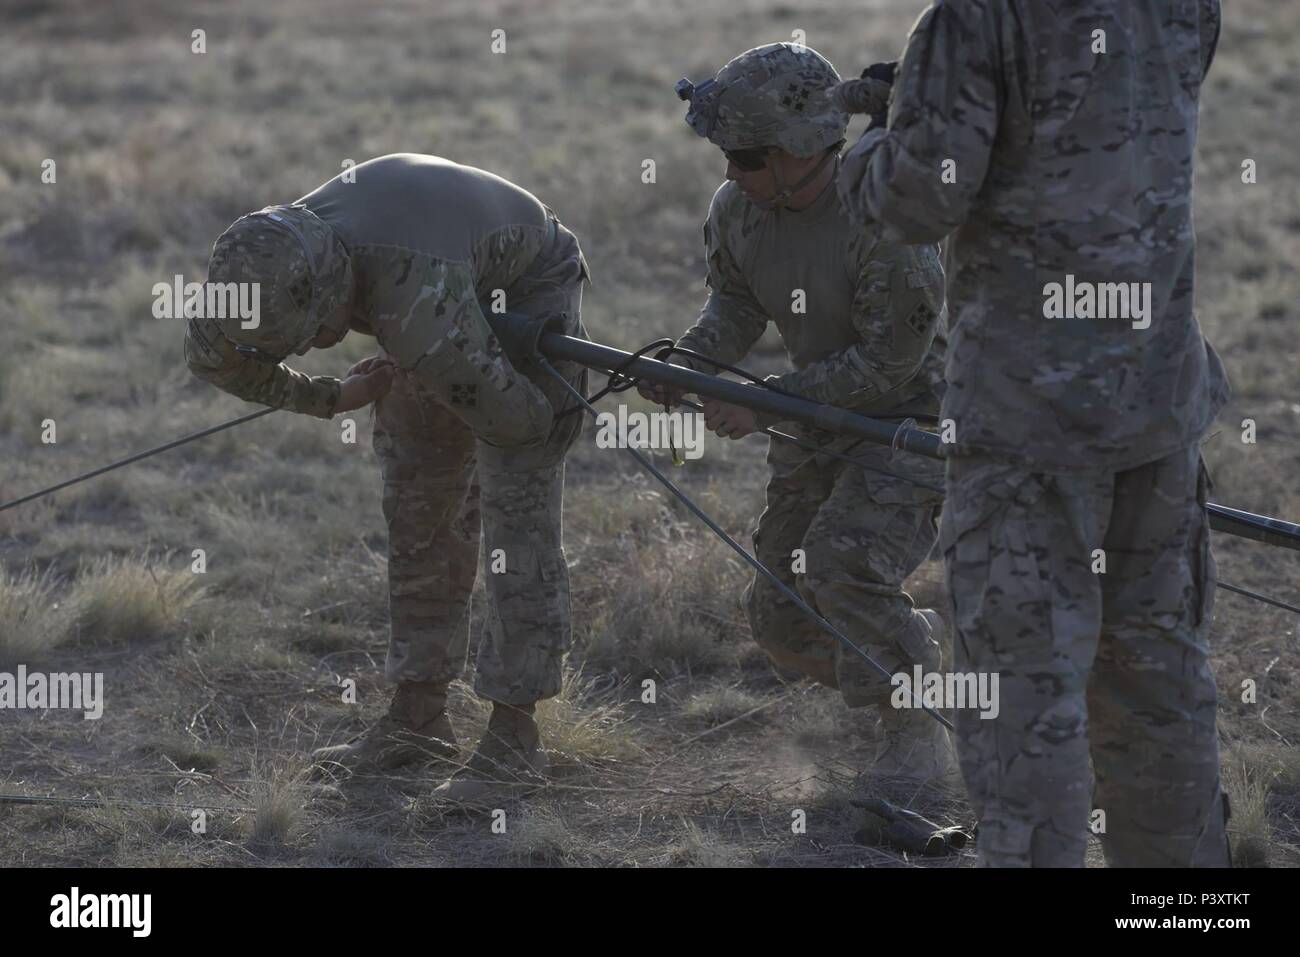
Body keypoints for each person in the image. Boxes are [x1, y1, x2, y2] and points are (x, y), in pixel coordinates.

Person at [836, 1, 1232, 865]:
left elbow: (917, 200)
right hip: (1157, 398)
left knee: (1024, 709)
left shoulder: (973, 18)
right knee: (1159, 688)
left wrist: (872, 136)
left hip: (1028, 421)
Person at [185, 153, 591, 804]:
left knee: (517, 508)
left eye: (317, 335)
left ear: (338, 292)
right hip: (434, 301)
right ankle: (420, 719)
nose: (319, 345)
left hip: (526, 284)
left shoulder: (415, 309)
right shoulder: (259, 265)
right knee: (418, 498)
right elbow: (214, 358)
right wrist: (327, 397)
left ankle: (515, 738)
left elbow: (520, 424)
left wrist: (490, 386)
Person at [653, 43, 952, 777]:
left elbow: (889, 364)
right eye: (727, 154)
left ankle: (919, 725)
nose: (732, 172)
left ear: (801, 147)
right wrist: (691, 364)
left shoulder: (883, 215)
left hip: (910, 424)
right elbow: (735, 301)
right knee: (782, 615)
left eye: (748, 156)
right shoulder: (740, 210)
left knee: (842, 566)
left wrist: (767, 402)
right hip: (817, 423)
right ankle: (904, 655)